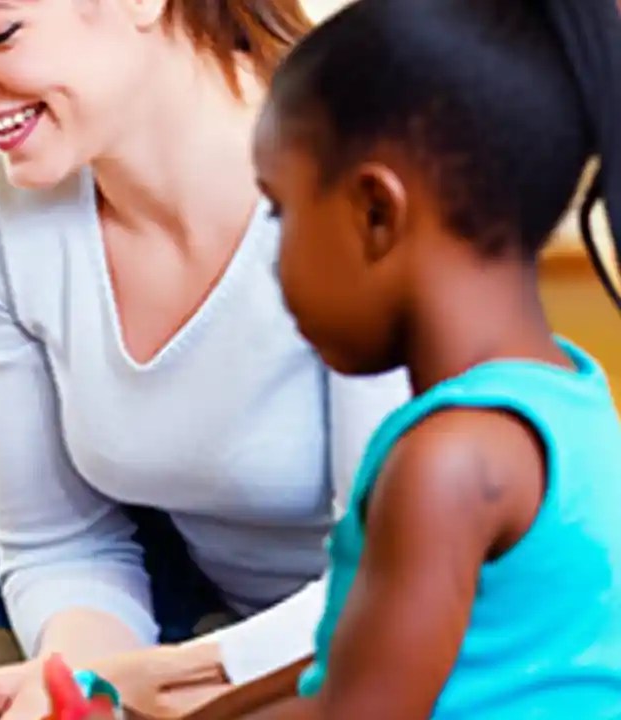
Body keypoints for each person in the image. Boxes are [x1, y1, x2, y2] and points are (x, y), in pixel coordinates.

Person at [0, 0, 411, 717]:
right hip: (179, 592)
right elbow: (57, 541)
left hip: (359, 652)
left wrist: (156, 681)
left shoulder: (371, 184)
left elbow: (402, 582)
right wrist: (83, 694)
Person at [240, 0, 621, 716]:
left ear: (375, 212)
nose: (274, 259)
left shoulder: (446, 463)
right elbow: (344, 672)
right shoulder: (573, 401)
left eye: (281, 210)